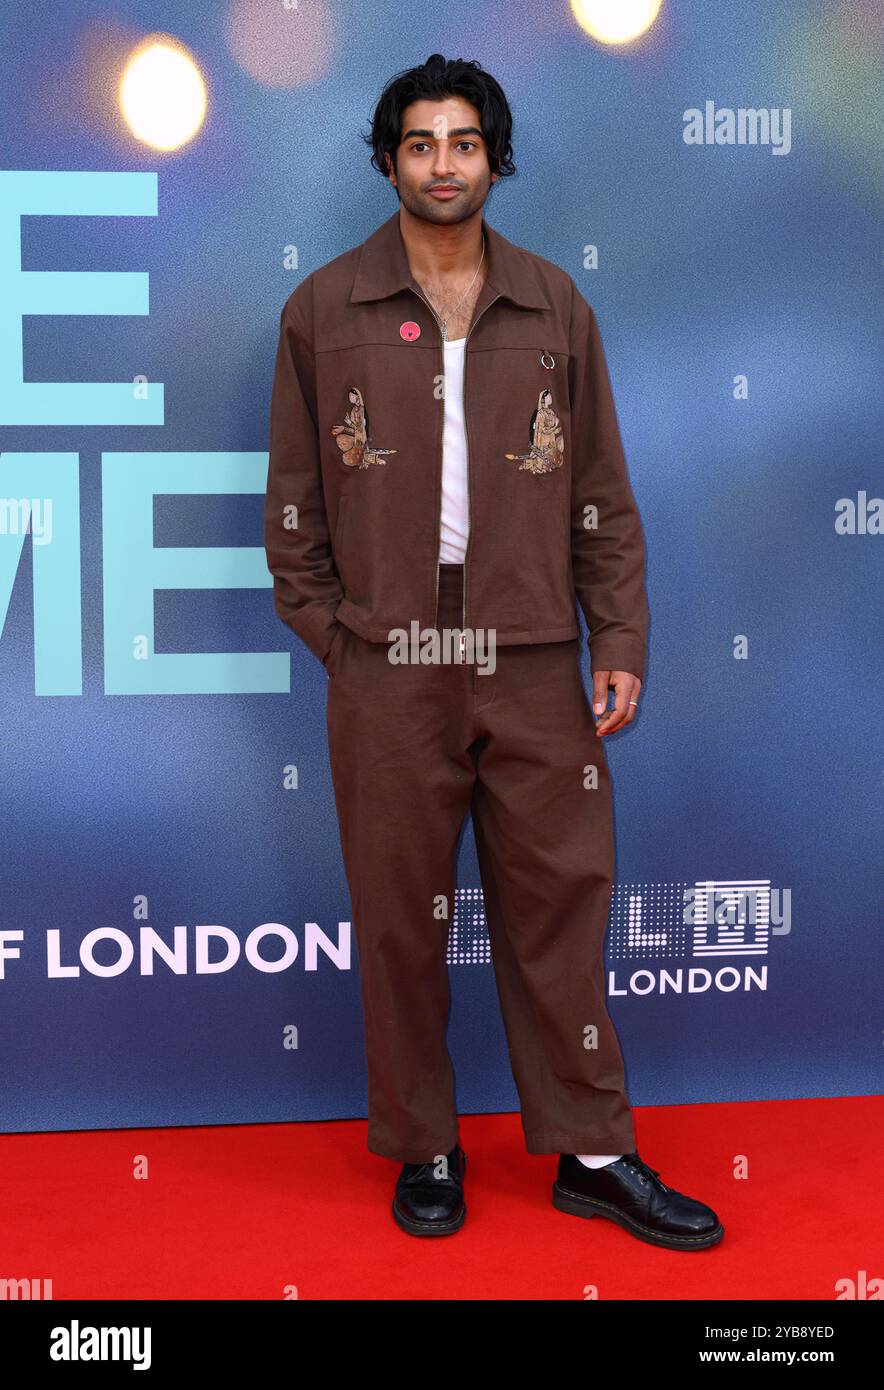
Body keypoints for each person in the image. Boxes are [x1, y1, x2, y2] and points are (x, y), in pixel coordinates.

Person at [264, 53, 723, 1251]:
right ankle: (424, 1145)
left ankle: (591, 1151)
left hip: (530, 657)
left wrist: (613, 631)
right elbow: (293, 507)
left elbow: (602, 493)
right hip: (389, 666)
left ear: (492, 158)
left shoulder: (553, 304)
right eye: (418, 143)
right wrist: (344, 640)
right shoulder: (323, 309)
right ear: (387, 160)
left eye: (463, 142)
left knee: (558, 907)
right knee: (400, 919)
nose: (441, 164)